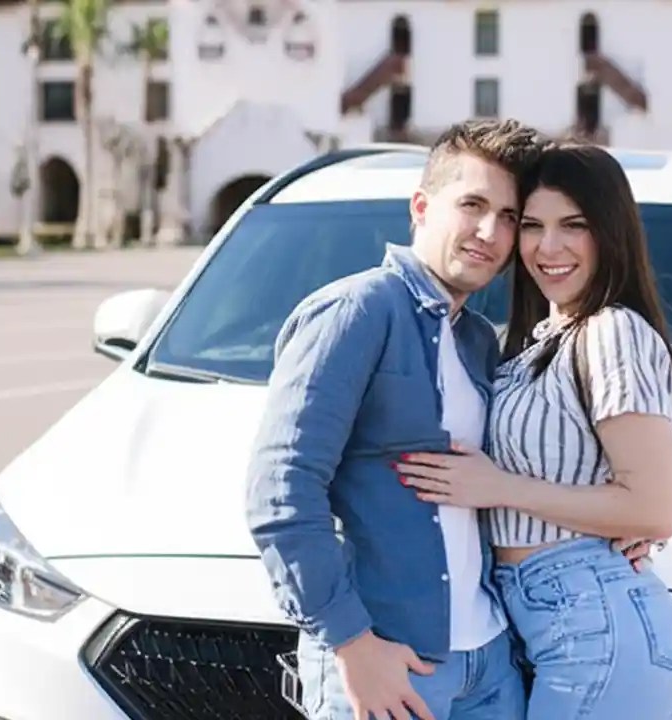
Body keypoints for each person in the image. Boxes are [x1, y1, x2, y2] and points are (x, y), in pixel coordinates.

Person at [244, 118, 550, 720]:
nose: (490, 232)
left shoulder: (476, 342)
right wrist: (352, 644)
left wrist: (619, 528)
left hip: (488, 661)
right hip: (391, 661)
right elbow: (280, 492)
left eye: (509, 216)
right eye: (472, 205)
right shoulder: (357, 311)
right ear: (421, 208)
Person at [397, 143, 672, 718]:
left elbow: (655, 508)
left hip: (595, 625)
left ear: (609, 231)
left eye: (573, 225)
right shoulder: (536, 342)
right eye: (532, 225)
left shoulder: (611, 331)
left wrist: (497, 487)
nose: (548, 247)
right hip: (544, 624)